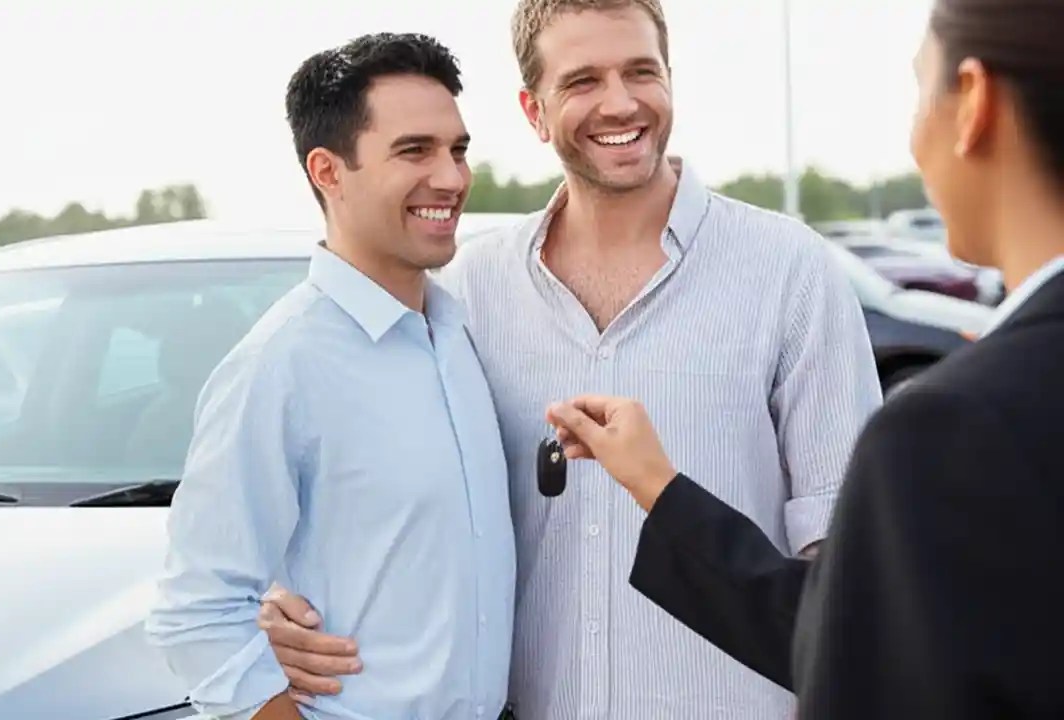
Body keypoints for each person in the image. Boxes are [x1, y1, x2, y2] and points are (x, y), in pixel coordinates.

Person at [256, 1, 883, 717]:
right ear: (535, 111)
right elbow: (379, 495)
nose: (620, 103)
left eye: (641, 72)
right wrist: (284, 600)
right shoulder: (466, 291)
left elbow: (848, 549)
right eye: (584, 80)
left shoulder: (790, 270)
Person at [545, 0, 1064, 714]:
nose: (914, 138)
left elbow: (857, 646)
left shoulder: (950, 426)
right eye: (583, 79)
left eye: (920, 90)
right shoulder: (475, 288)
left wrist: (660, 490)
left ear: (972, 101)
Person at [144, 33, 517, 720]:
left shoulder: (465, 333)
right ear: (328, 171)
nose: (452, 178)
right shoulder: (280, 365)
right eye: (415, 151)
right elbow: (197, 614)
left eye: (458, 149)